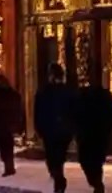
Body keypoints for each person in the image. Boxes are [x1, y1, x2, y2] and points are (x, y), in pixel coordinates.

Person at [76, 72, 112, 193]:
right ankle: (96, 182)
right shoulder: (84, 95)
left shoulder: (98, 96)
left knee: (92, 160)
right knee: (92, 160)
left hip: (95, 133)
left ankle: (97, 183)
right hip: (95, 133)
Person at [34, 63, 76, 193]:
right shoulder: (67, 91)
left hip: (52, 131)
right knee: (58, 157)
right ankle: (59, 179)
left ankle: (59, 180)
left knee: (53, 158)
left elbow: (38, 112)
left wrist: (39, 128)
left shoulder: (44, 92)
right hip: (61, 131)